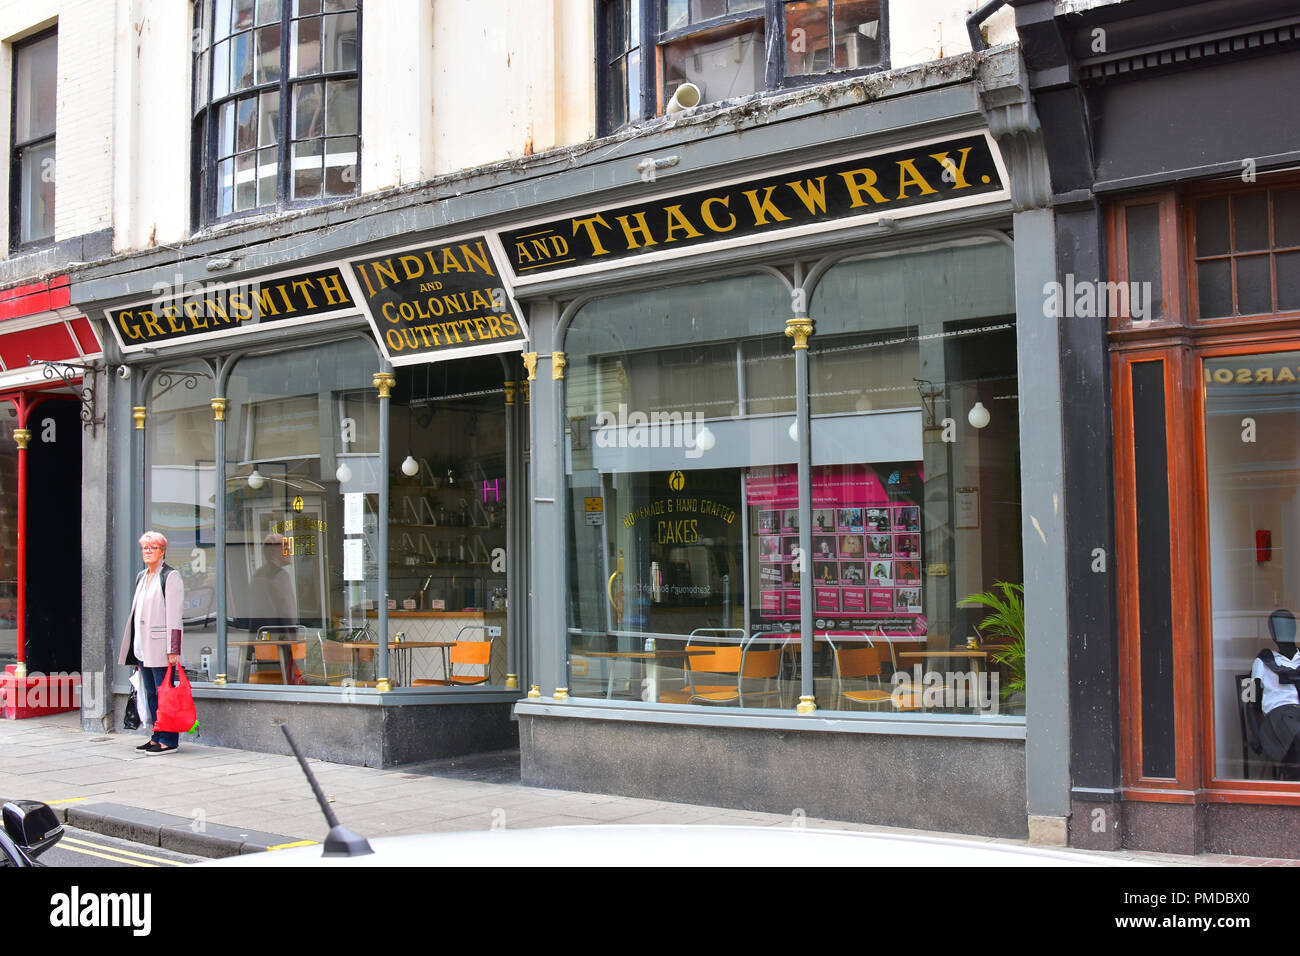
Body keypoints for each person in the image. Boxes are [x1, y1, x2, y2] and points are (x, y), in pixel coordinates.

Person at [117, 531, 184, 754]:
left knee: (164, 694)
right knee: (152, 693)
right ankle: (156, 736)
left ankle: (169, 740)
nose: (148, 551)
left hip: (160, 648)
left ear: (162, 551)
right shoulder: (141, 576)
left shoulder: (170, 576)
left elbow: (174, 616)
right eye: (145, 548)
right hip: (142, 646)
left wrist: (173, 649)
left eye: (153, 547)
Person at [1252, 609, 1300, 778]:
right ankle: (1293, 777)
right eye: (1278, 628)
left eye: (1288, 626)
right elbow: (1250, 700)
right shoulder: (1263, 662)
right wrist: (1255, 733)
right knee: (1296, 731)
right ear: (1272, 633)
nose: (1283, 631)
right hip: (1278, 716)